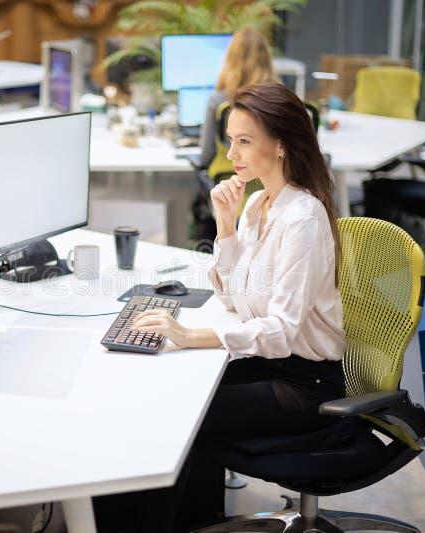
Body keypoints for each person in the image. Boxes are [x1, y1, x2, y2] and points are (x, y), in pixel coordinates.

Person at [130, 81, 347, 531]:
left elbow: (280, 330)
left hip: (305, 385)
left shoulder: (302, 219)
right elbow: (235, 297)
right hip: (270, 364)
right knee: (170, 391)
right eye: (232, 139)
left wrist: (191, 336)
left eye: (245, 141)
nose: (232, 154)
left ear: (282, 144)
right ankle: (188, 520)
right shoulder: (255, 205)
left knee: (180, 416)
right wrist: (225, 226)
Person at [197, 27, 277, 175]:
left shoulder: (217, 101)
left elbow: (206, 155)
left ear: (231, 58)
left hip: (228, 185)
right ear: (266, 59)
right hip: (271, 188)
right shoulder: (279, 100)